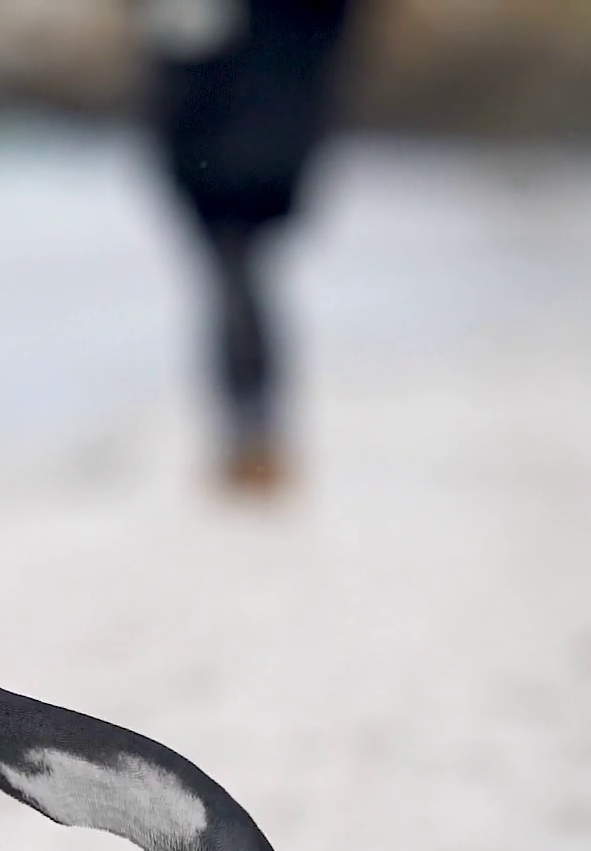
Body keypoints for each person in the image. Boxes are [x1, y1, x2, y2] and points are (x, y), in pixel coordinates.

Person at [137, 0, 357, 492]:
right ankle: (253, 432)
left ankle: (251, 433)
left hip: (224, 148)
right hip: (271, 140)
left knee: (235, 277)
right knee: (240, 278)